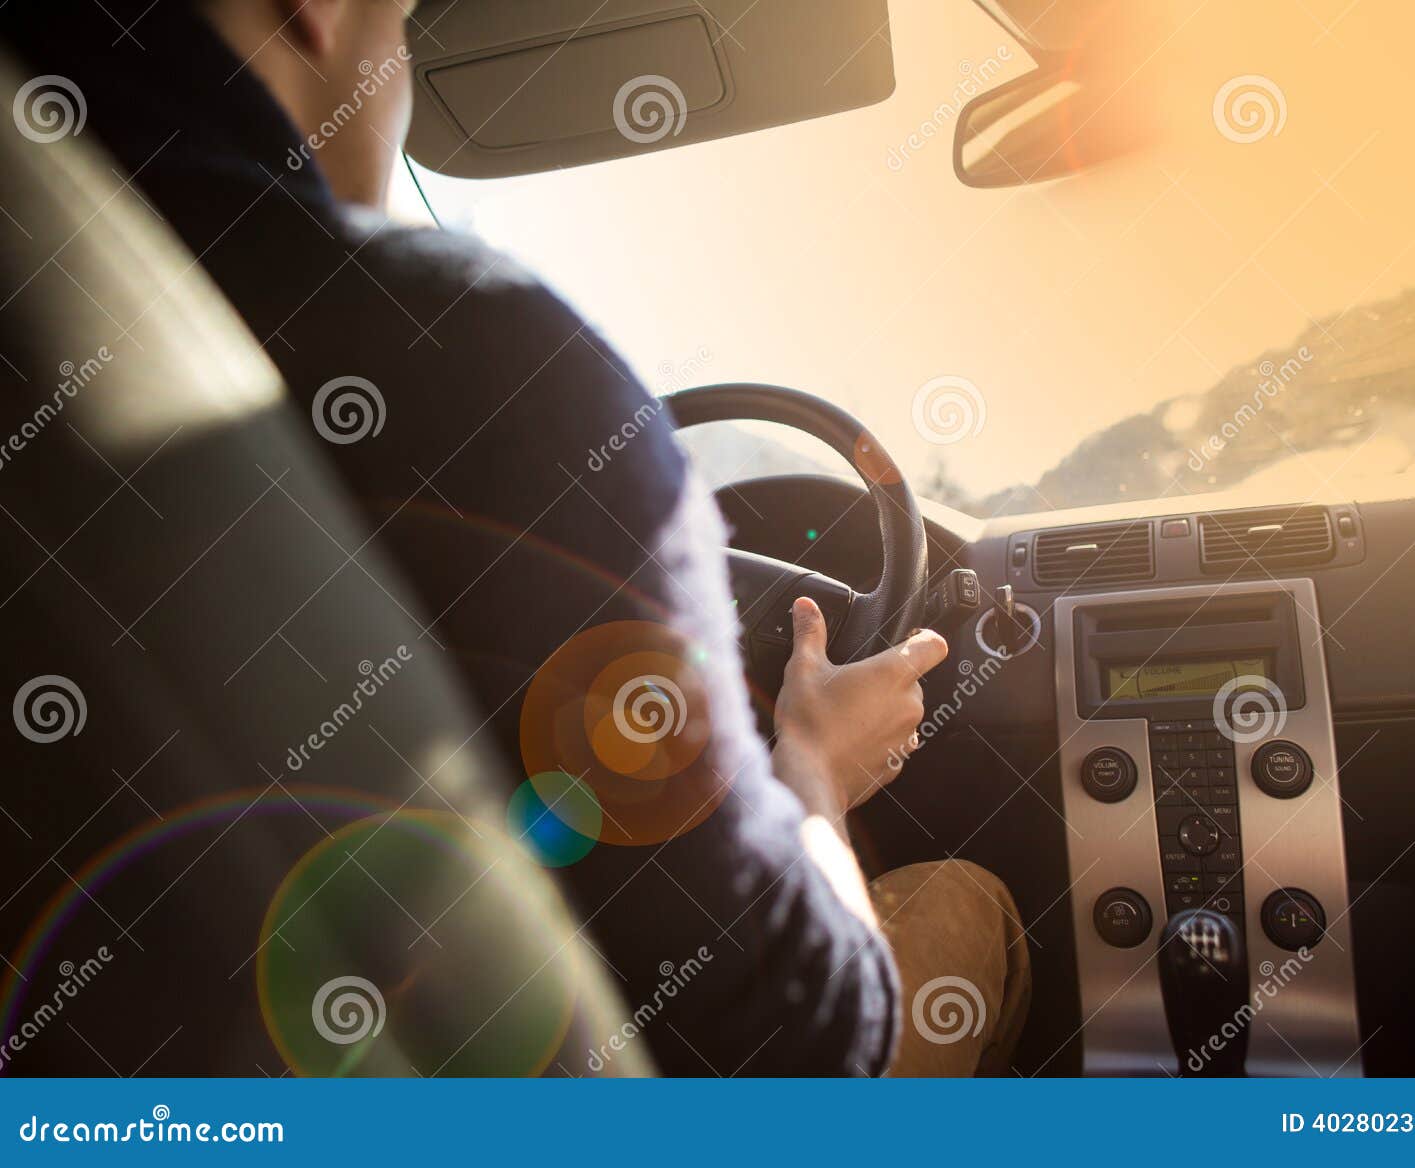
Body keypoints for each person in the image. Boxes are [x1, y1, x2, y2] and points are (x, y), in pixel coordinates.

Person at [0, 1, 1029, 1075]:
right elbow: (800, 1036)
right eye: (398, 24)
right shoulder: (470, 359)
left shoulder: (94, 350)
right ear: (316, 15)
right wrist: (813, 764)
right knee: (964, 902)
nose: (392, 72)